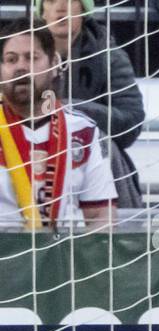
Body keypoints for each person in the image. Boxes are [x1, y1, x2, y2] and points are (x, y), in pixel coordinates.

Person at [0, 20, 116, 229]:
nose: (21, 67)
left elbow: (101, 216)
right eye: (11, 59)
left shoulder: (83, 132)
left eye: (31, 58)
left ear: (54, 64)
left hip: (61, 257)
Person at [35, 0, 146, 207]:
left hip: (96, 166)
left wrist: (72, 111)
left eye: (70, 1)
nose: (61, 8)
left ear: (83, 9)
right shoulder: (21, 56)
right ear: (41, 11)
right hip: (33, 161)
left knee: (104, 145)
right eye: (51, 1)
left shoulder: (108, 56)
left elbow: (131, 122)